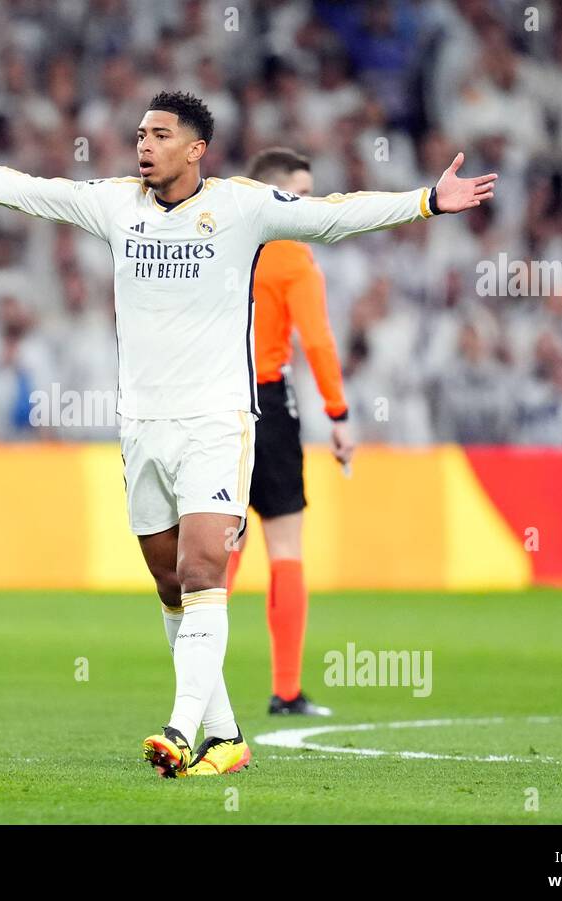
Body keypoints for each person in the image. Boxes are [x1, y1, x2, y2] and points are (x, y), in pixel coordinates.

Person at [0, 91, 495, 777]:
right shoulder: (115, 204)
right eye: (139, 133)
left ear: (196, 149)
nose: (143, 144)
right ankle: (226, 736)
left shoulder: (242, 206)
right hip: (142, 426)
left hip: (218, 420)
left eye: (160, 134)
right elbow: (26, 191)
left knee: (201, 568)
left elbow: (333, 217)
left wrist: (426, 199)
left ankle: (179, 728)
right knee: (168, 584)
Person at [224, 148, 353, 717]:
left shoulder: (218, 242)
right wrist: (340, 415)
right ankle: (286, 689)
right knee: (284, 547)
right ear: (276, 194)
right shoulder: (293, 258)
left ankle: (195, 684)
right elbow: (318, 340)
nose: (312, 204)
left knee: (220, 545)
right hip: (269, 405)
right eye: (300, 194)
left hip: (215, 405)